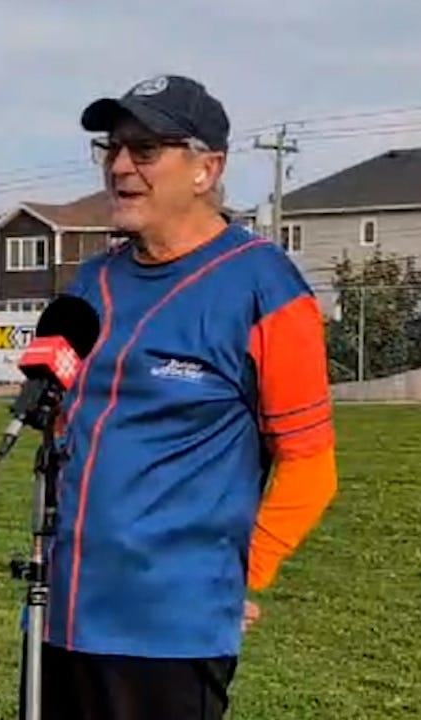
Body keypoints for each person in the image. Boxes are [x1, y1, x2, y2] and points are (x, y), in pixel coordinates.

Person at [18, 74, 339, 719]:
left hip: (167, 632)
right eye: (111, 149)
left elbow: (311, 467)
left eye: (145, 150)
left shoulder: (264, 288)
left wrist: (241, 576)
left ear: (206, 169)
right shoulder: (91, 283)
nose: (119, 167)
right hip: (63, 618)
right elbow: (64, 427)